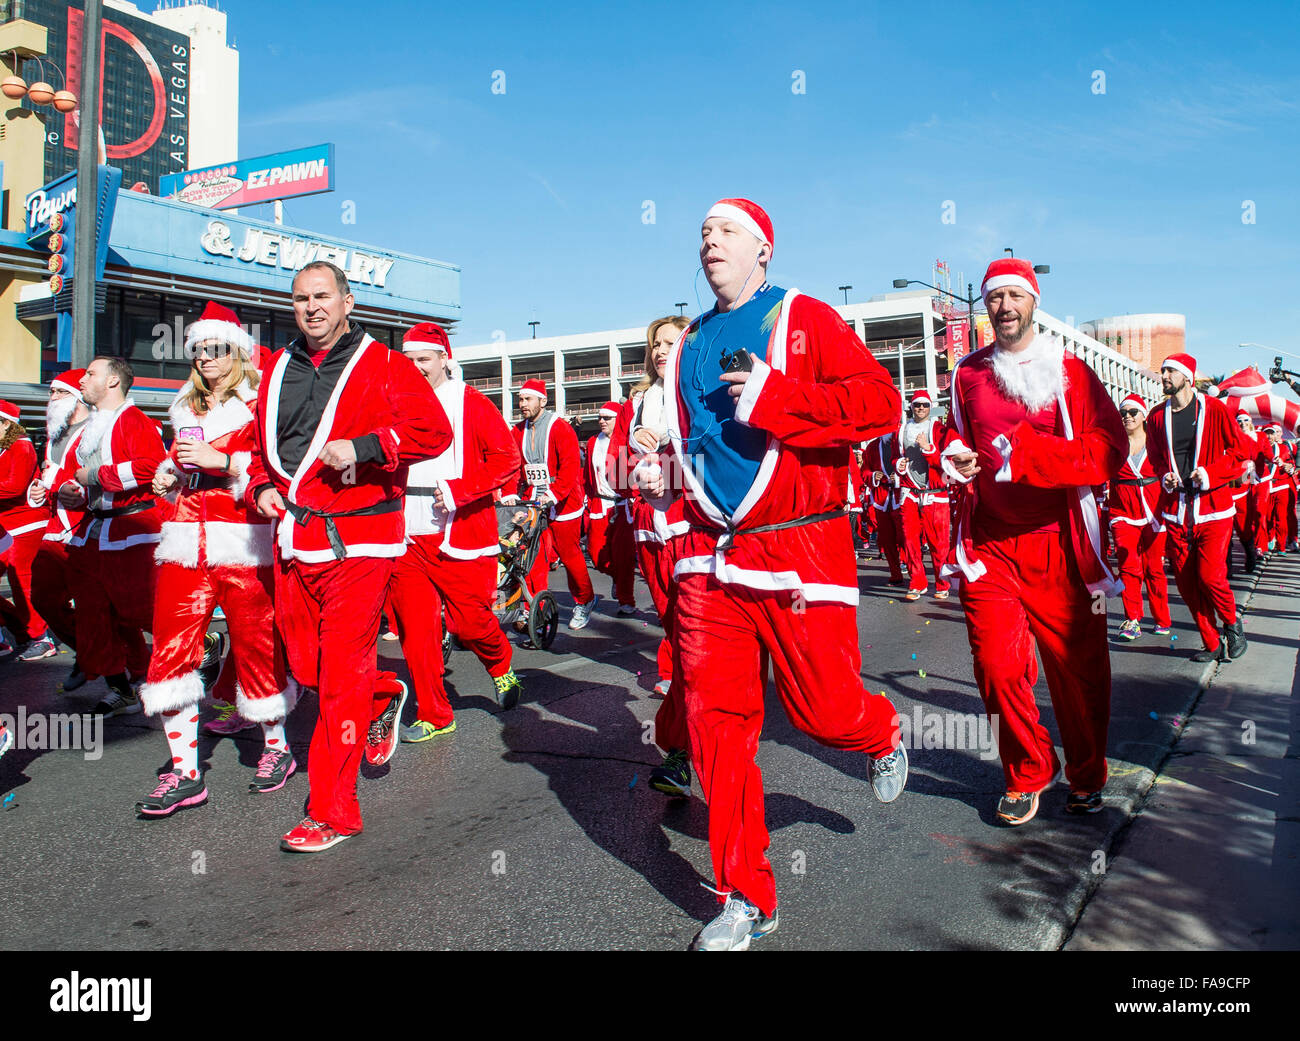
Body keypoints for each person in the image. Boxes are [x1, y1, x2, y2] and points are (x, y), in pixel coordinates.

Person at [634, 198, 907, 949]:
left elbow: (880, 406)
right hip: (706, 561)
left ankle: (880, 729)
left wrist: (778, 398)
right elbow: (696, 448)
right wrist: (660, 472)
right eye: (703, 232)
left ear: (763, 249)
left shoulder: (803, 316)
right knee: (717, 728)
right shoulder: (687, 343)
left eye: (724, 230)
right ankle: (745, 894)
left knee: (823, 711)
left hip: (795, 550)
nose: (708, 239)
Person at [246, 261, 451, 853]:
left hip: (360, 543)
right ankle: (384, 693)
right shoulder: (275, 369)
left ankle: (334, 811)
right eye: (300, 298)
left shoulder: (385, 365)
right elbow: (262, 450)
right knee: (307, 669)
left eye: (322, 297)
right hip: (295, 537)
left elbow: (432, 432)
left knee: (339, 673)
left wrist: (365, 447)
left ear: (348, 301)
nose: (311, 307)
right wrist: (261, 485)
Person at [942, 258, 1126, 825]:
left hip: (1060, 546)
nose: (1004, 307)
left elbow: (1107, 451)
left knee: (1077, 671)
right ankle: (1027, 771)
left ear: (1033, 303)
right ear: (986, 307)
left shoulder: (1070, 372)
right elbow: (954, 433)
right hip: (991, 546)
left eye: (1015, 296)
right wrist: (954, 455)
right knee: (996, 667)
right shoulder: (967, 373)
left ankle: (1087, 774)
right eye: (995, 298)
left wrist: (1027, 455)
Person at [134, 302, 298, 817]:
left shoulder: (259, 402)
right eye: (200, 349)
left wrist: (225, 462)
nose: (207, 357)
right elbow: (185, 464)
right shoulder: (184, 408)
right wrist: (167, 472)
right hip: (184, 544)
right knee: (169, 653)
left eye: (217, 348)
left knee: (257, 647)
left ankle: (277, 748)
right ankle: (184, 773)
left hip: (244, 542)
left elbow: (281, 467)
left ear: (239, 352)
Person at [385, 321, 523, 741]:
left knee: (468, 623)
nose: (416, 367)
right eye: (408, 360)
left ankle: (501, 666)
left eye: (423, 359)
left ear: (445, 359)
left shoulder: (470, 403)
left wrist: (459, 491)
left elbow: (507, 459)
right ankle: (435, 713)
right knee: (417, 632)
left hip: (459, 530)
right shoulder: (391, 403)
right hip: (406, 532)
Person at [609, 315, 693, 796]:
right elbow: (615, 474)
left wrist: (668, 453)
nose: (661, 351)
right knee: (675, 631)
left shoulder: (699, 395)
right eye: (655, 344)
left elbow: (716, 462)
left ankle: (682, 751)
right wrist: (632, 464)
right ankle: (690, 741)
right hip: (650, 534)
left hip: (694, 534)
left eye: (671, 342)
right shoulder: (636, 402)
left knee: (691, 638)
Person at [61, 357, 166, 716]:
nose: (83, 380)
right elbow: (74, 474)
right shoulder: (90, 426)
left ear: (113, 382)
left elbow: (151, 467)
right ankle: (120, 687)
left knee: (140, 611)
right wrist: (70, 491)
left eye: (91, 374)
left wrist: (94, 477)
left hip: (132, 533)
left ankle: (198, 647)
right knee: (92, 614)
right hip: (94, 532)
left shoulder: (135, 421)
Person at [1144, 353, 1251, 663]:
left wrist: (1209, 474)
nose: (1163, 375)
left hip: (1214, 510)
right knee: (1188, 584)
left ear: (1186, 377)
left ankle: (1232, 622)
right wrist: (1165, 475)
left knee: (1210, 575)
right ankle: (1211, 642)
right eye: (1162, 371)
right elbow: (1156, 459)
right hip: (1177, 511)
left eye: (1170, 371)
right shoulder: (1155, 417)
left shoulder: (1214, 409)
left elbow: (1240, 452)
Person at [509, 379, 599, 630]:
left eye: (528, 399)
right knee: (533, 556)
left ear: (543, 401)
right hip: (533, 501)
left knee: (569, 555)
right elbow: (513, 466)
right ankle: (532, 606)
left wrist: (553, 493)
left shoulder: (560, 429)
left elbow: (570, 467)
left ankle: (585, 600)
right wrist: (508, 492)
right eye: (520, 399)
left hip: (563, 502)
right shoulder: (517, 431)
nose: (522, 404)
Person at [25, 370, 94, 679]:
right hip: (55, 530)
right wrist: (39, 489)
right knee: (43, 598)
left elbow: (92, 481)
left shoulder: (95, 431)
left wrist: (59, 485)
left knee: (110, 606)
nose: (51, 399)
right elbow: (49, 478)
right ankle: (89, 651)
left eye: (59, 393)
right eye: (51, 392)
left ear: (77, 397)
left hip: (87, 529)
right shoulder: (54, 434)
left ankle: (124, 669)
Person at [1107, 394, 1171, 641]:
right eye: (1123, 413)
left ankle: (1162, 617)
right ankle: (1132, 619)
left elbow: (1171, 469)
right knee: (1127, 563)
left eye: (1133, 412)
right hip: (1122, 510)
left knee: (1154, 568)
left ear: (1143, 415)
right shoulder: (1114, 443)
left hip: (1154, 511)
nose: (1128, 417)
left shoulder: (1157, 443)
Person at [0, 400, 56, 657]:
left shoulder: (21, 447)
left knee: (19, 578)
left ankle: (41, 638)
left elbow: (13, 486)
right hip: (6, 526)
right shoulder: (4, 447)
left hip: (27, 524)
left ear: (6, 423)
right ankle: (20, 632)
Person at [895, 390, 951, 601]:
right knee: (910, 541)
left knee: (939, 543)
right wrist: (897, 465)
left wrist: (928, 449)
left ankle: (942, 583)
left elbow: (947, 460)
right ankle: (917, 582)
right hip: (909, 492)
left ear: (930, 407)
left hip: (935, 493)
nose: (920, 408)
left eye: (924, 405)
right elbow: (895, 457)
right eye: (917, 404)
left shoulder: (938, 429)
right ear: (911, 406)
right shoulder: (901, 430)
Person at [584, 401, 637, 616]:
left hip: (622, 504)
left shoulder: (627, 441)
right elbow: (587, 473)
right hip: (599, 503)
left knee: (623, 556)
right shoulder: (591, 442)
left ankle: (627, 600)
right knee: (595, 554)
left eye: (607, 418)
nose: (602, 421)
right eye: (600, 417)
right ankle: (616, 577)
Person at [1228, 411, 1268, 574]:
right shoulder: (1226, 440)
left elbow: (1255, 465)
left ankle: (1251, 555)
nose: (1242, 424)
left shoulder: (1250, 441)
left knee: (1244, 530)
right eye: (1239, 421)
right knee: (1225, 532)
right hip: (1224, 493)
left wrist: (1246, 478)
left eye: (1245, 421)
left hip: (1242, 493)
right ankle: (1226, 566)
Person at [864, 434, 905, 584]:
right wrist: (874, 475)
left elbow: (914, 467)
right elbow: (865, 471)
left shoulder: (903, 442)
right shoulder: (872, 446)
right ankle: (896, 574)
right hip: (881, 498)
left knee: (905, 536)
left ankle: (913, 570)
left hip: (901, 496)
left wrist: (900, 478)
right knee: (886, 539)